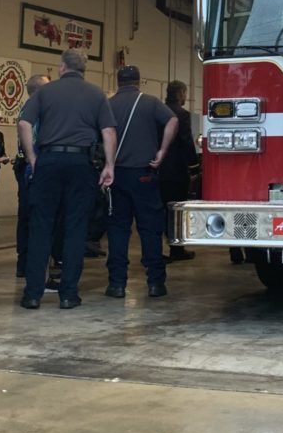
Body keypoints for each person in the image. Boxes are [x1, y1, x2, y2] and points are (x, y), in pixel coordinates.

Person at [17, 50, 116, 310]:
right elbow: (108, 131)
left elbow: (24, 124)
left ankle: (33, 294)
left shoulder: (44, 93)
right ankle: (69, 294)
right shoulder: (96, 94)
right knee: (75, 228)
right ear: (84, 69)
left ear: (61, 67)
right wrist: (109, 165)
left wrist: (32, 158)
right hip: (81, 164)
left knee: (40, 227)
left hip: (48, 161)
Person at [104, 65, 178, 300]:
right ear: (139, 81)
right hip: (144, 174)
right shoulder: (150, 102)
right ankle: (156, 283)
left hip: (116, 175)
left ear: (118, 82)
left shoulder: (108, 104)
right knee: (149, 229)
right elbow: (173, 121)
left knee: (118, 229)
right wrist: (162, 151)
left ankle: (116, 284)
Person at [13, 73, 50, 278]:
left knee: (26, 216)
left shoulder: (28, 108)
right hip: (31, 167)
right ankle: (28, 262)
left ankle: (25, 261)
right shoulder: (35, 110)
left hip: (26, 165)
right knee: (32, 216)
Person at [159, 80, 198, 263]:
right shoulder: (182, 114)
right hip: (176, 170)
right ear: (180, 93)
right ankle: (177, 249)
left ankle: (156, 250)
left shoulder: (158, 110)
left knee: (159, 210)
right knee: (177, 210)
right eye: (185, 92)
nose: (186, 96)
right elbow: (186, 142)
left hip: (158, 169)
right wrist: (194, 166)